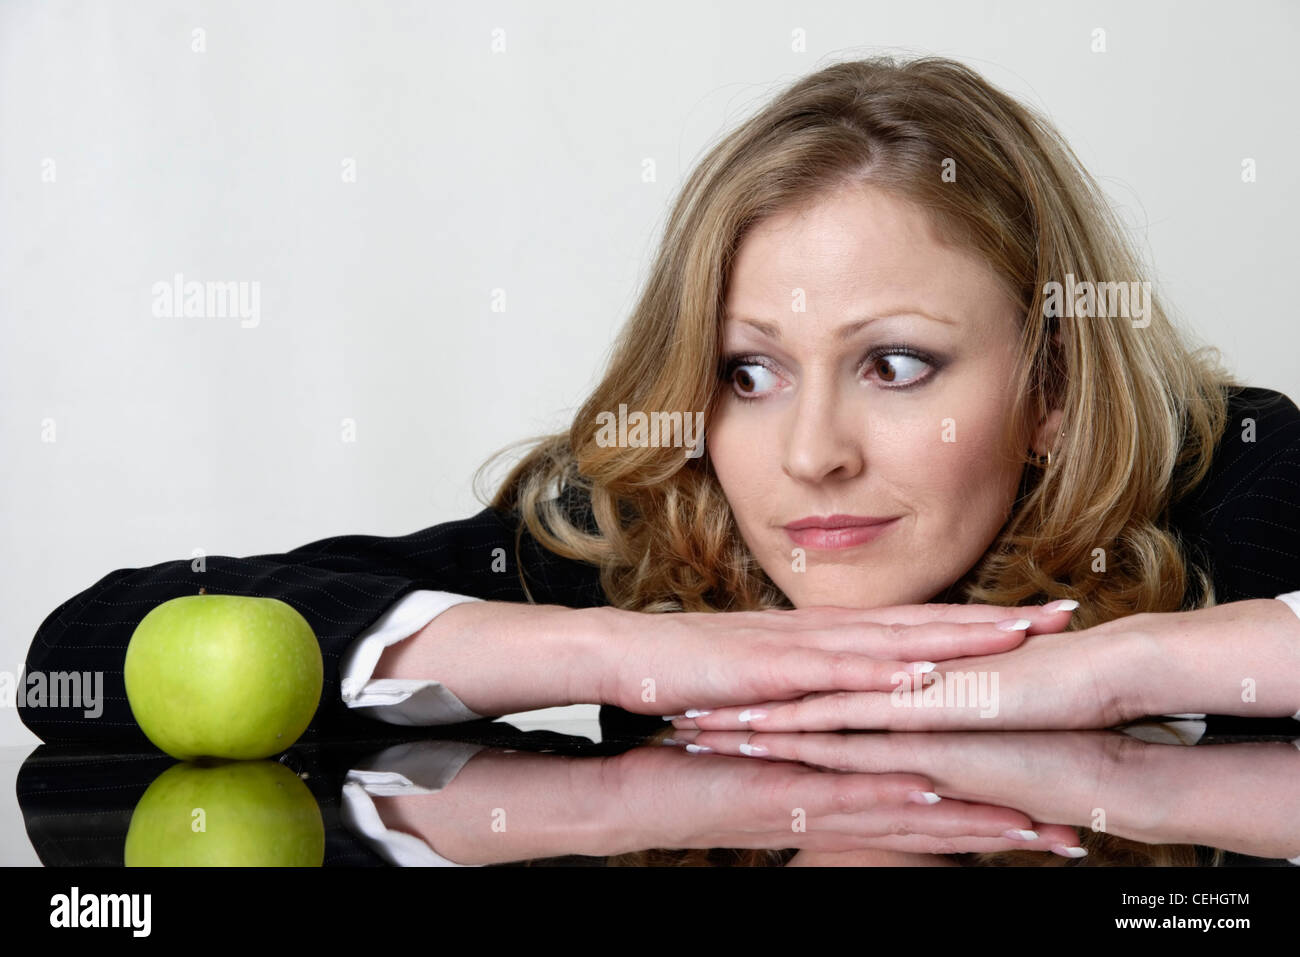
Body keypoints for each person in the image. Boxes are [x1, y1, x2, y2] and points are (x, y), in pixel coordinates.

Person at [19, 55, 1300, 868]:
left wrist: (1112, 667)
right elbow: (77, 659)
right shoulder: (634, 530)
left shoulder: (1226, 480)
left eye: (895, 364)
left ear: (1053, 394)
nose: (809, 457)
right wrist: (612, 650)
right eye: (749, 373)